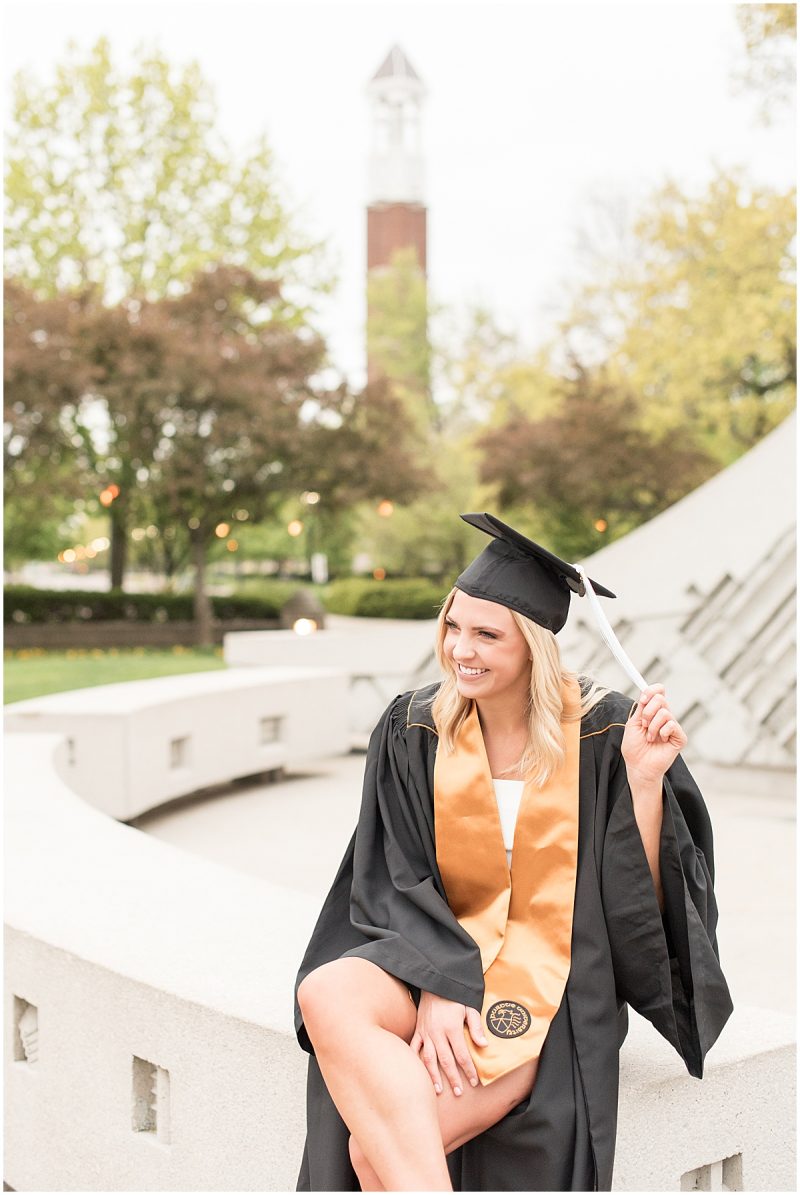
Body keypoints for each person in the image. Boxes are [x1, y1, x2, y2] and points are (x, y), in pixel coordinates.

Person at [293, 513, 733, 1192]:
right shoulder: (417, 728)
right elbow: (389, 876)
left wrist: (645, 782)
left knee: (372, 1155)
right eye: (452, 626)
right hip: (430, 959)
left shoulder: (604, 733)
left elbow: (639, 905)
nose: (460, 649)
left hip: (543, 983)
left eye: (486, 634)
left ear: (532, 645)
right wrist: (442, 978)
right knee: (325, 987)